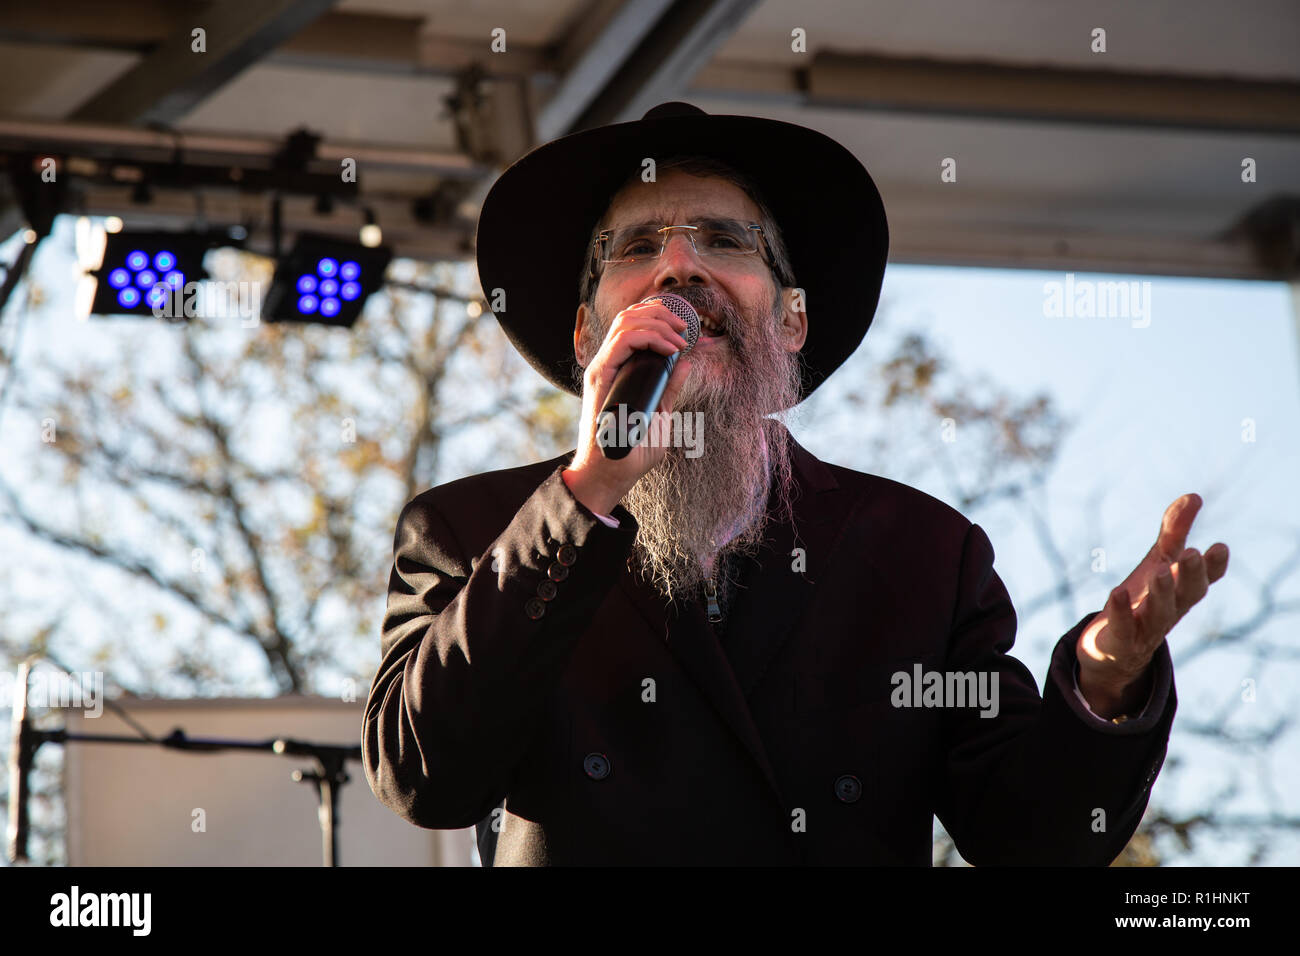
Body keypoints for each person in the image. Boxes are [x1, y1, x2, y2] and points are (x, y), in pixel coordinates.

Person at [362, 102, 1229, 865]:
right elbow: (423, 777)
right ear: (587, 331)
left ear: (791, 317)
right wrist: (586, 494)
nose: (679, 268)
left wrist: (1106, 681)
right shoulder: (468, 528)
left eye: (725, 241)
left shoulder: (921, 552)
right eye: (636, 247)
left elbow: (1031, 837)